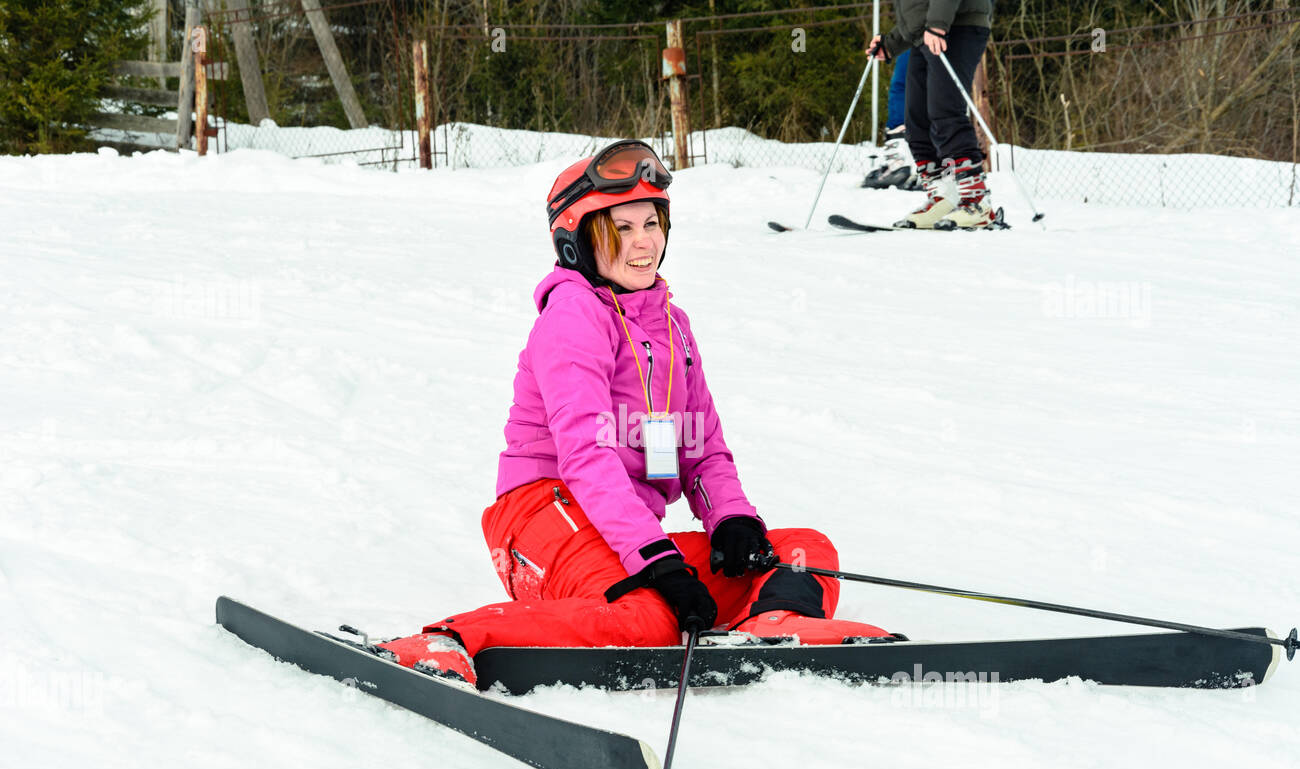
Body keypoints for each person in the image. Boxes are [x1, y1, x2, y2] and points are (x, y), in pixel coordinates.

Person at [375, 140, 893, 687]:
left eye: (652, 223)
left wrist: (733, 521)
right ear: (577, 241)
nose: (644, 242)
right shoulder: (572, 317)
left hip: (626, 528)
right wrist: (657, 563)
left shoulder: (673, 325)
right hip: (546, 517)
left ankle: (772, 627)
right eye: (620, 229)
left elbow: (701, 447)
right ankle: (449, 639)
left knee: (802, 552)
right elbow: (587, 456)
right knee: (647, 621)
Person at [867, 0, 994, 228]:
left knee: (945, 111)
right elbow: (917, 7)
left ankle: (977, 201)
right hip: (926, 32)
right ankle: (943, 198)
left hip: (958, 25)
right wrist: (892, 44)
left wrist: (937, 24)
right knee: (916, 120)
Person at [861, 48, 919, 190]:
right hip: (919, 32)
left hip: (923, 32)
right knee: (921, 86)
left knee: (903, 85)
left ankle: (899, 164)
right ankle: (927, 165)